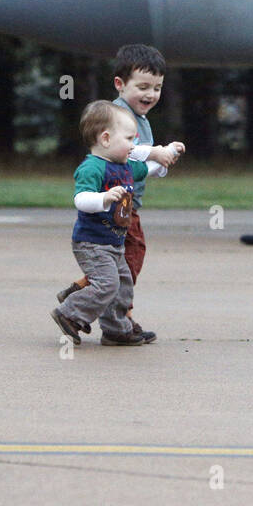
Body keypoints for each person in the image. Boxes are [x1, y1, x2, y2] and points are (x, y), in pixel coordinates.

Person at [57, 45, 184, 343]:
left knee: (125, 263)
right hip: (115, 210)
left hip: (126, 208)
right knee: (129, 259)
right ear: (120, 84)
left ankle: (103, 308)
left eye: (157, 88)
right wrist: (155, 151)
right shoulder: (117, 115)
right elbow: (130, 152)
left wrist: (162, 162)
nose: (150, 94)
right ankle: (100, 306)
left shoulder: (140, 117)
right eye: (143, 87)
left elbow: (138, 167)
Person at [52, 100, 157, 347]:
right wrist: (103, 198)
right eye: (129, 139)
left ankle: (115, 330)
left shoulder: (124, 165)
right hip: (91, 243)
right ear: (106, 139)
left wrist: (166, 155)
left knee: (122, 285)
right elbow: (80, 199)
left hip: (114, 243)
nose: (133, 146)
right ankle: (69, 313)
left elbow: (147, 168)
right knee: (108, 284)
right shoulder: (91, 167)